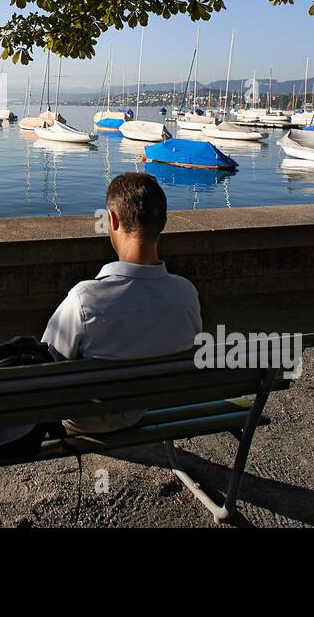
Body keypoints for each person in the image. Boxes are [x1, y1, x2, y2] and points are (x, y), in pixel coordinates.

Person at [42, 171, 202, 433]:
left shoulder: (84, 301)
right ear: (162, 222)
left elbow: (46, 368)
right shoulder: (186, 295)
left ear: (112, 220)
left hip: (86, 420)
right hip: (153, 406)